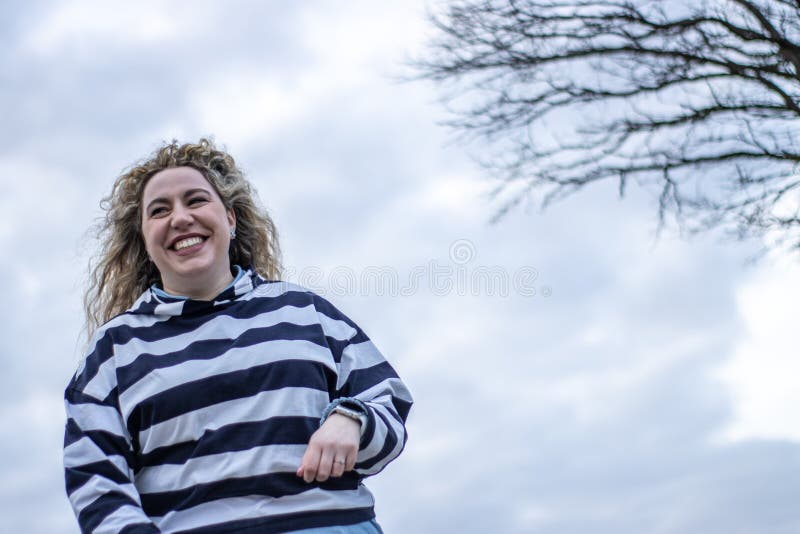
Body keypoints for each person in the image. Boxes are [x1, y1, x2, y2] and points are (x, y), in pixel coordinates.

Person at [63, 139, 413, 533]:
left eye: (196, 200)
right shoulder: (114, 350)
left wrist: (351, 420)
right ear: (144, 240)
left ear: (230, 219)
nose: (180, 218)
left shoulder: (305, 311)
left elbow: (389, 402)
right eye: (159, 210)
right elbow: (94, 479)